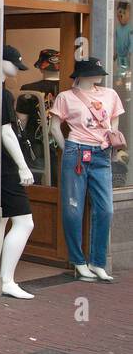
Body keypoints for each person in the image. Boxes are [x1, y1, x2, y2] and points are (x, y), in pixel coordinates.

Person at [49, 58, 121, 282]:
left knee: (105, 209)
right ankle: (78, 261)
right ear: (82, 74)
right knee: (73, 209)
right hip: (77, 152)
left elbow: (114, 122)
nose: (99, 75)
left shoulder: (110, 95)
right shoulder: (65, 97)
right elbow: (54, 128)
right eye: (94, 72)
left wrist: (109, 142)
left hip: (101, 154)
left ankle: (97, 262)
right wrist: (69, 150)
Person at [0, 45, 35, 299]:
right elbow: (5, 131)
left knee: (1, 221)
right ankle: (6, 279)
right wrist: (23, 166)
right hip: (5, 166)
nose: (16, 70)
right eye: (14, 64)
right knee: (24, 221)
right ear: (1, 61)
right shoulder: (3, 95)